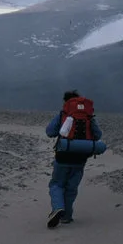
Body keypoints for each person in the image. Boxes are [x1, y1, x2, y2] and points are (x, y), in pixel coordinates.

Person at [44, 90, 103, 228]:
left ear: (66, 103)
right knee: (71, 188)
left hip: (63, 156)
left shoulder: (63, 115)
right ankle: (67, 216)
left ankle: (58, 207)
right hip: (81, 158)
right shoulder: (88, 117)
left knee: (57, 184)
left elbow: (50, 132)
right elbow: (98, 135)